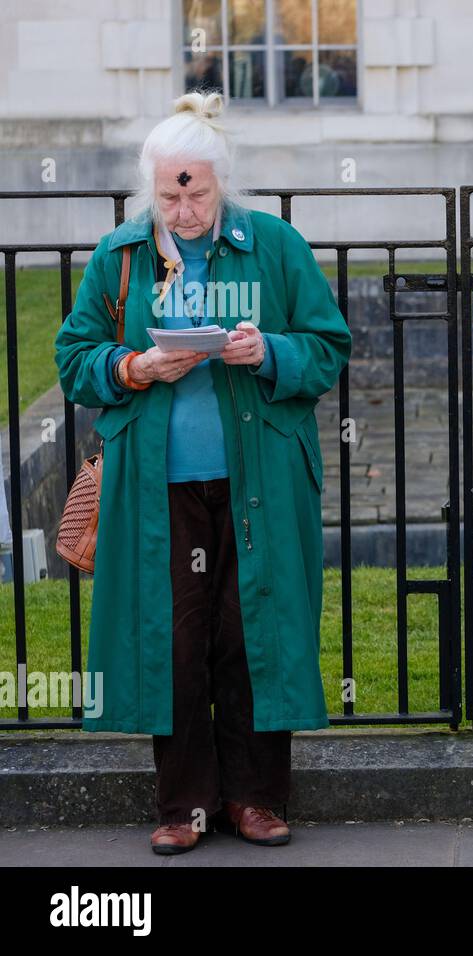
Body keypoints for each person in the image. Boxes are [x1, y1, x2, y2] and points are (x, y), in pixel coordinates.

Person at [54, 91, 351, 854]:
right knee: (174, 637)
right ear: (148, 189)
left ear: (221, 181)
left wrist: (269, 352)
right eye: (169, 191)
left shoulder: (275, 245)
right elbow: (75, 359)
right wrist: (136, 364)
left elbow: (328, 346)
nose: (183, 207)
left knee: (252, 632)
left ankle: (255, 799)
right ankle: (183, 805)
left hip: (260, 481)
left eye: (196, 188)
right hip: (156, 489)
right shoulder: (120, 256)